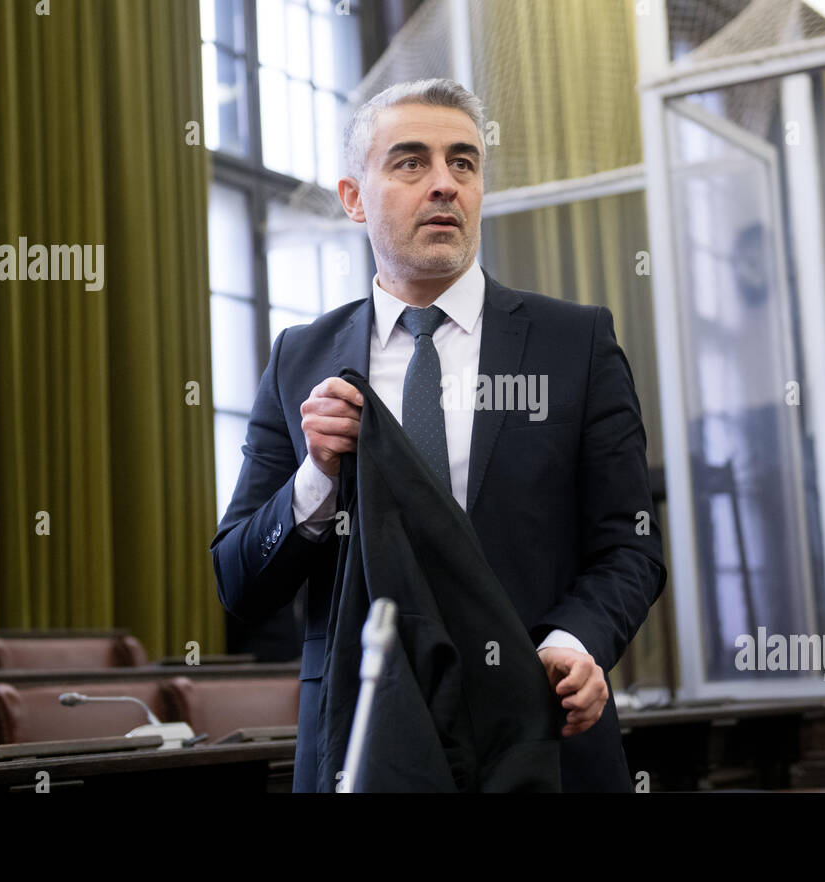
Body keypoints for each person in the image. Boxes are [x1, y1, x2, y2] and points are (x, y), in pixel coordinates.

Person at [209, 78, 666, 792]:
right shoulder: (299, 358)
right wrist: (317, 479)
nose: (444, 184)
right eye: (411, 162)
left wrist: (576, 642)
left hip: (540, 731)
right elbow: (239, 584)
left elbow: (628, 546)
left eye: (464, 162)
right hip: (360, 744)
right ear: (354, 197)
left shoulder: (574, 343)